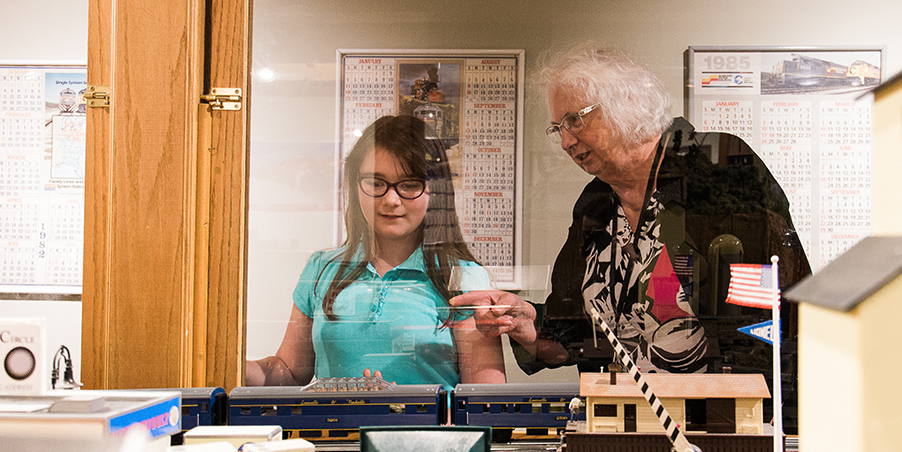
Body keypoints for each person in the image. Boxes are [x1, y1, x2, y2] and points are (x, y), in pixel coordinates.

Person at [452, 46, 810, 408]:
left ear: (628, 102)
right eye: (558, 128)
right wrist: (528, 325)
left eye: (575, 120)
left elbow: (772, 317)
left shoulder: (717, 170)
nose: (565, 142)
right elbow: (577, 333)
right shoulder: (595, 204)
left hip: (720, 422)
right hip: (620, 421)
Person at [247, 114, 505, 388]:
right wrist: (231, 360)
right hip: (334, 419)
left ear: (436, 191)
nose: (391, 200)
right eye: (375, 183)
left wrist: (397, 404)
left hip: (428, 419)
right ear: (356, 185)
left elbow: (483, 398)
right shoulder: (322, 267)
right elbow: (287, 372)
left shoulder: (463, 277)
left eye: (409, 185)